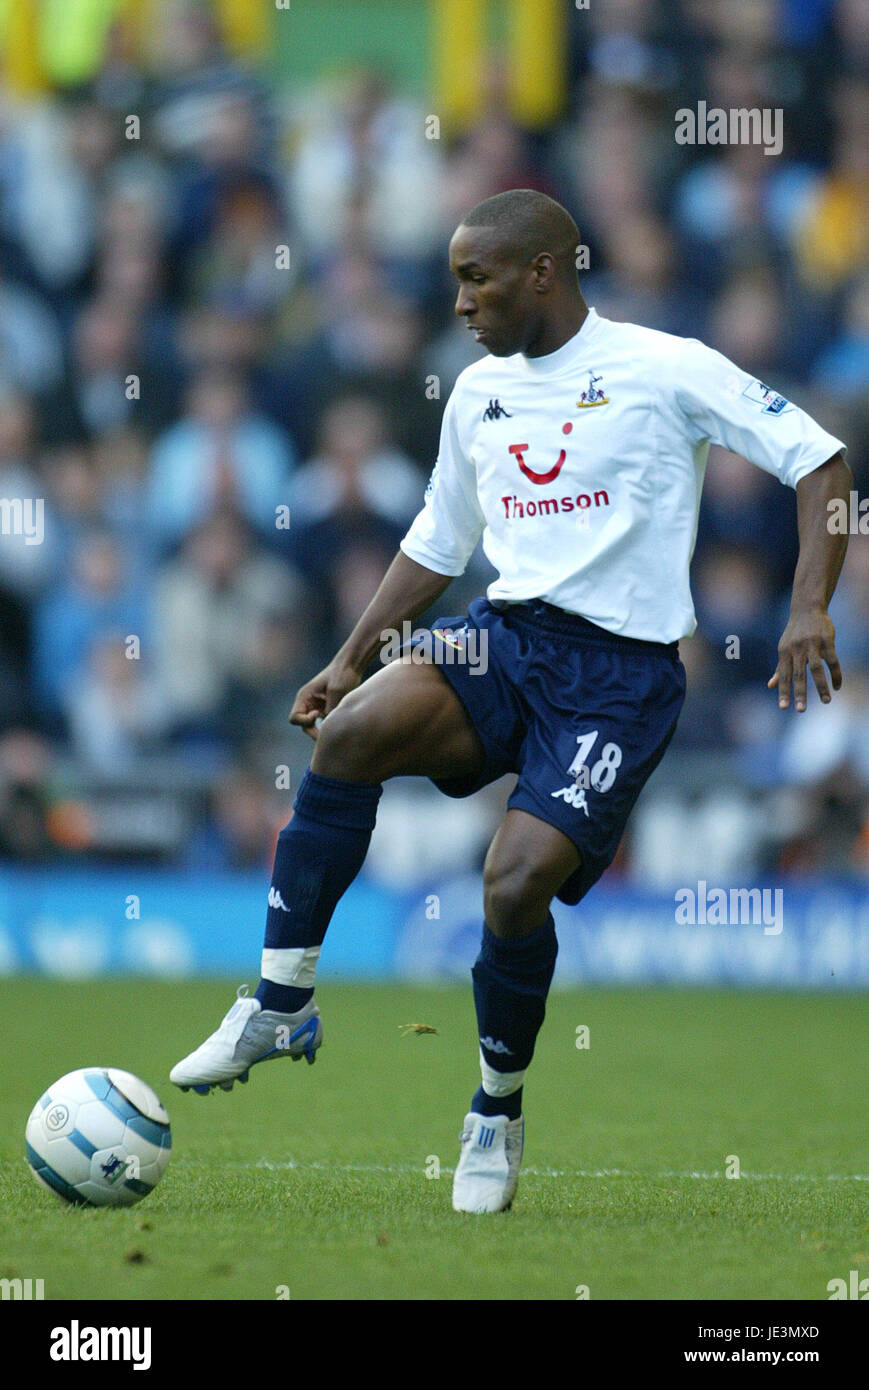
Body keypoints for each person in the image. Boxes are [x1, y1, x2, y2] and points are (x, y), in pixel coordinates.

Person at [170, 189, 851, 1214]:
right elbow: (435, 546)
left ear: (543, 272)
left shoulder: (662, 367)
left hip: (618, 677)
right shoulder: (475, 395)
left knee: (511, 883)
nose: (459, 302)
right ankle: (278, 1001)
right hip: (505, 636)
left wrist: (808, 608)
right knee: (347, 738)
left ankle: (493, 1106)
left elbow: (821, 461)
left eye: (475, 278)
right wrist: (350, 658)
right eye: (453, 280)